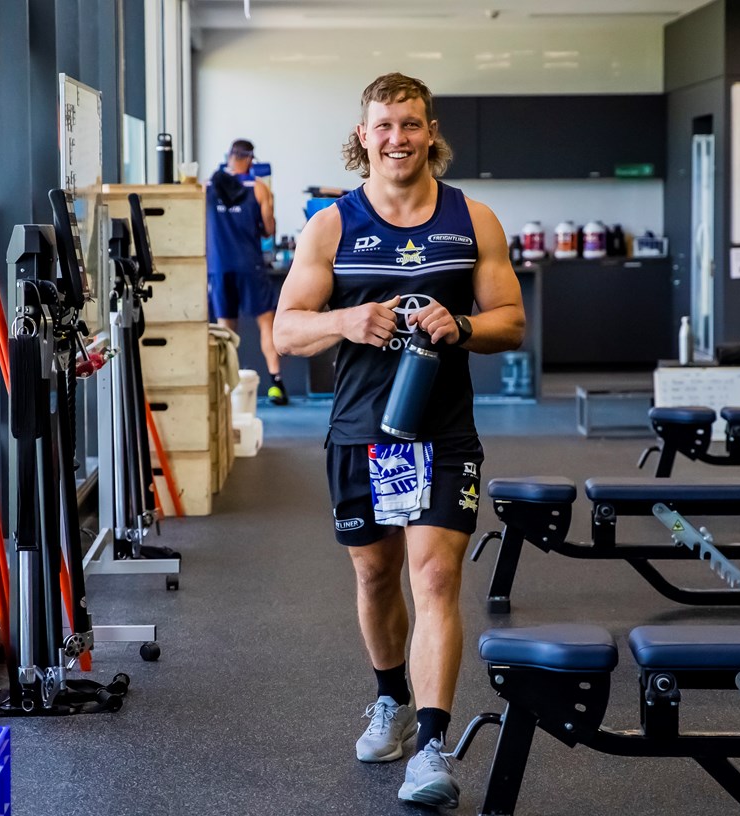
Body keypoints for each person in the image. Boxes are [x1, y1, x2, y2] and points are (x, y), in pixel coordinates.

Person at [273, 73, 525, 808]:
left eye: (410, 124)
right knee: (376, 577)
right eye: (383, 125)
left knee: (436, 577)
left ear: (431, 129)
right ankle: (392, 699)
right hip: (362, 431)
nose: (397, 138)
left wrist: (466, 326)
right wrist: (344, 322)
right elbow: (287, 330)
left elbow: (511, 318)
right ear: (362, 135)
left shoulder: (472, 218)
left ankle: (433, 746)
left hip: (443, 431)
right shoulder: (332, 225)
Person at [207, 138, 288, 405]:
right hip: (250, 264)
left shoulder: (207, 187)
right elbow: (268, 229)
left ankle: (224, 388)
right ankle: (276, 384)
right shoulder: (260, 188)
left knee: (225, 328)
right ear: (251, 160)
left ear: (229, 156)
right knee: (267, 324)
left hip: (219, 266)